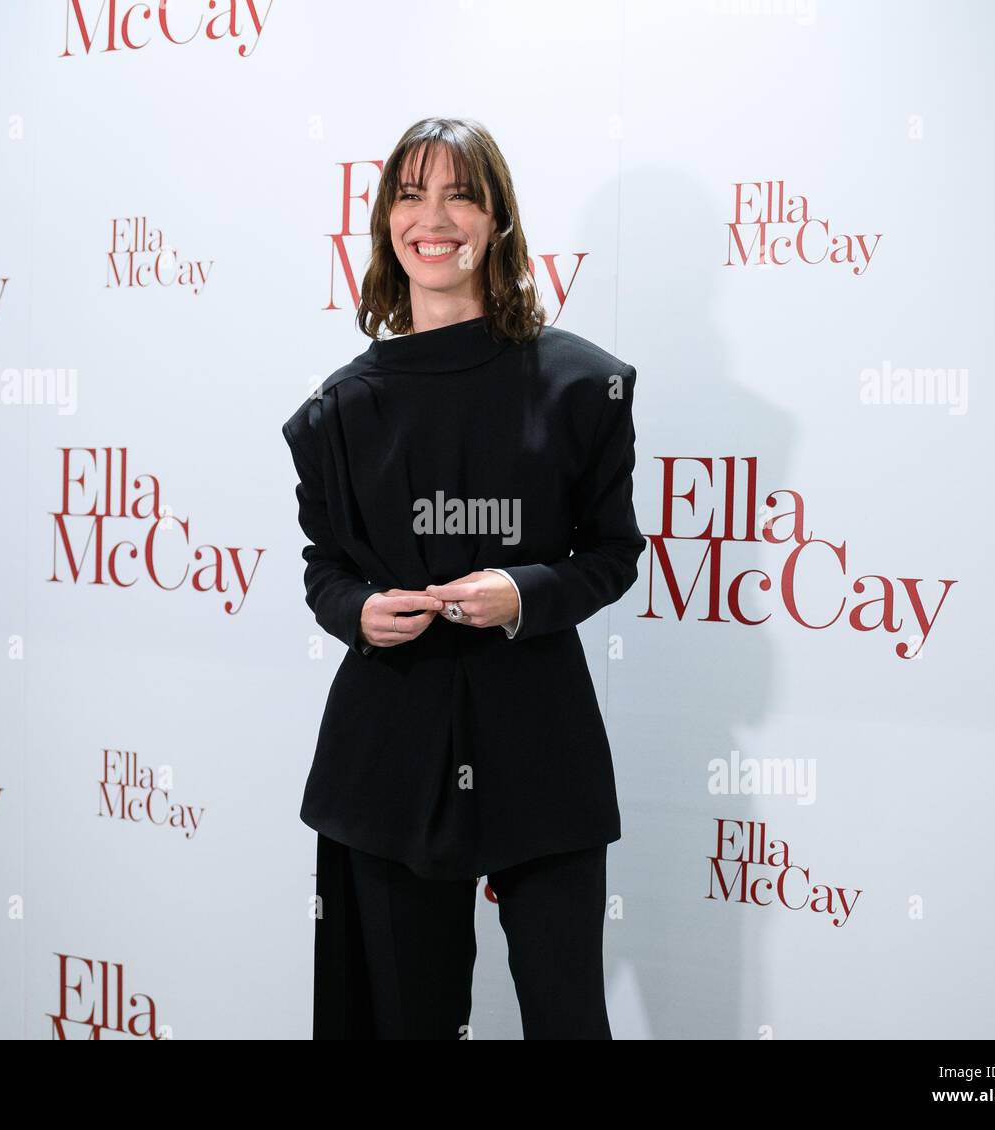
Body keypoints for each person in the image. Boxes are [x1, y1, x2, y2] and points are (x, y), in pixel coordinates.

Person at [281, 117, 646, 1039]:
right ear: (384, 224)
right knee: (409, 1022)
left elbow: (612, 553)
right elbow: (325, 568)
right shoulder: (333, 413)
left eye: (459, 194)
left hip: (539, 746)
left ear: (497, 220)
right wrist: (359, 612)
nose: (432, 218)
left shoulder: (582, 387)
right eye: (411, 194)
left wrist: (525, 594)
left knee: (569, 1021)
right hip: (390, 753)